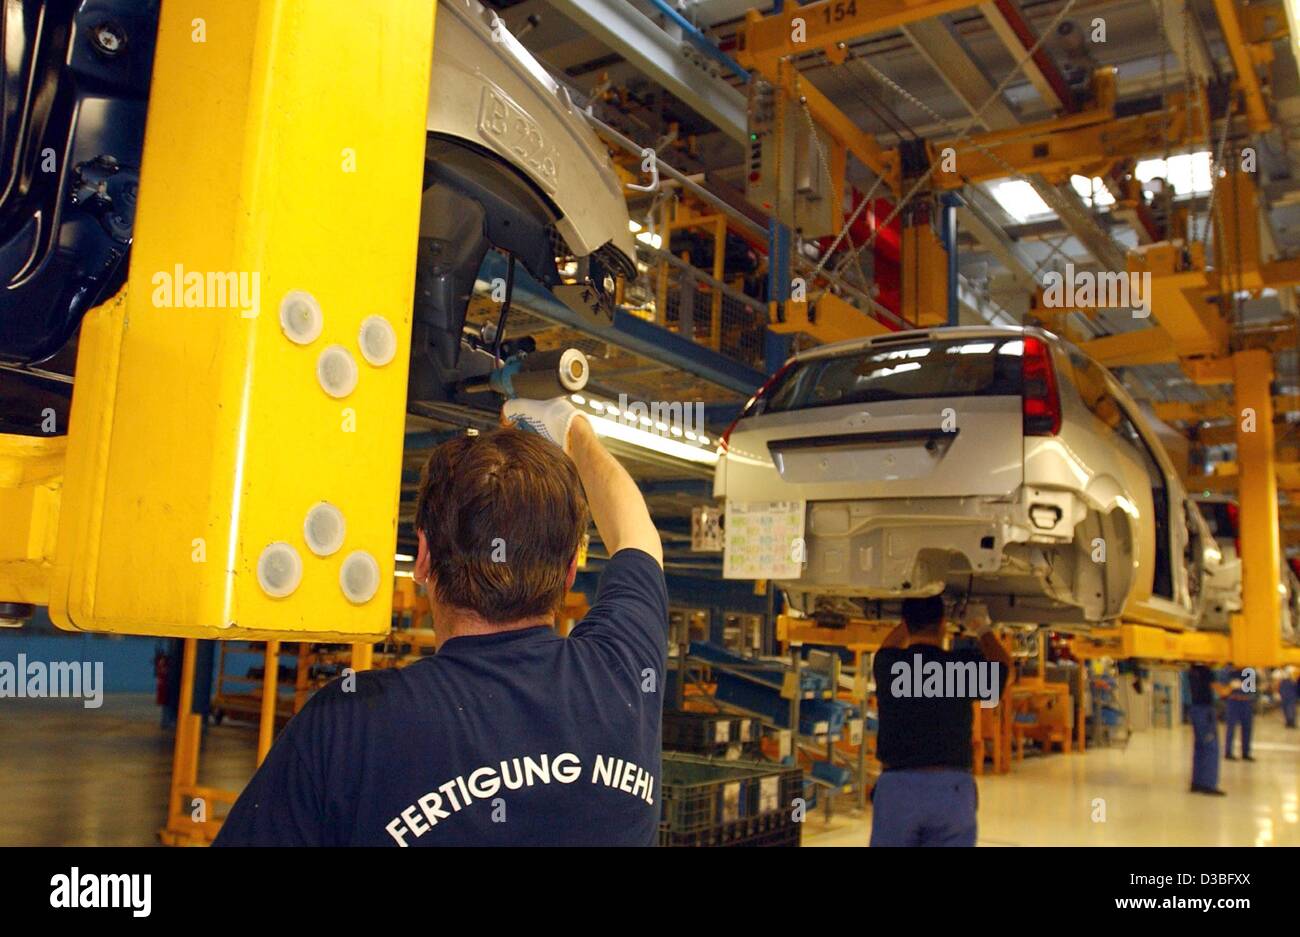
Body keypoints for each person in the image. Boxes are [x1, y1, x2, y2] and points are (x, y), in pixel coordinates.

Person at [214, 397, 667, 845]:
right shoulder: (624, 675)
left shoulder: (348, 725)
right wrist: (572, 429)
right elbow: (638, 534)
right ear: (570, 571)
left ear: (424, 557)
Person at [869, 595, 1011, 847]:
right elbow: (1004, 667)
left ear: (905, 623)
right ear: (944, 624)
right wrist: (982, 627)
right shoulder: (961, 669)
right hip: (950, 788)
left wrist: (910, 621)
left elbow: (886, 647)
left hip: (898, 789)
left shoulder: (889, 666)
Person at [1186, 663, 1225, 795]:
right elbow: (1222, 691)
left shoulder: (1192, 670)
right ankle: (1209, 784)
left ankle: (1197, 782)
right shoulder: (1207, 672)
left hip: (1195, 709)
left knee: (1200, 747)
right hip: (1205, 711)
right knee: (1210, 747)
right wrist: (1235, 686)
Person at [1220, 664, 1256, 761]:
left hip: (1246, 701)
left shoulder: (1249, 671)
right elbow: (1223, 688)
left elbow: (1251, 689)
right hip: (1233, 701)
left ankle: (1246, 752)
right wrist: (1231, 685)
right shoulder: (1227, 670)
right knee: (1231, 727)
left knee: (1247, 727)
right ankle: (1228, 752)